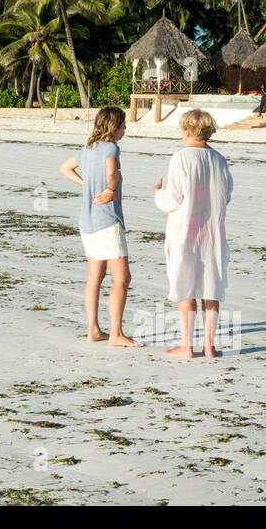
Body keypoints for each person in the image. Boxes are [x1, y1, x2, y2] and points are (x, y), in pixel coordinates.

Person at [153, 109, 234, 359]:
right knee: (212, 285)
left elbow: (173, 199)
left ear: (187, 131)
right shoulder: (220, 159)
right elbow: (226, 194)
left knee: (185, 285)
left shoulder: (181, 158)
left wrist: (158, 192)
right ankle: (209, 346)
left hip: (184, 232)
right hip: (213, 233)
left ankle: (187, 345)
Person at [59, 106, 142, 347]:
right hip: (106, 220)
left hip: (86, 221)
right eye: (123, 125)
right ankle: (116, 333)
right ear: (114, 127)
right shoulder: (111, 147)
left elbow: (64, 168)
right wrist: (111, 190)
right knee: (122, 278)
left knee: (94, 277)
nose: (125, 129)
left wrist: (85, 184)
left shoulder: (87, 148)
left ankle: (93, 329)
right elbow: (111, 171)